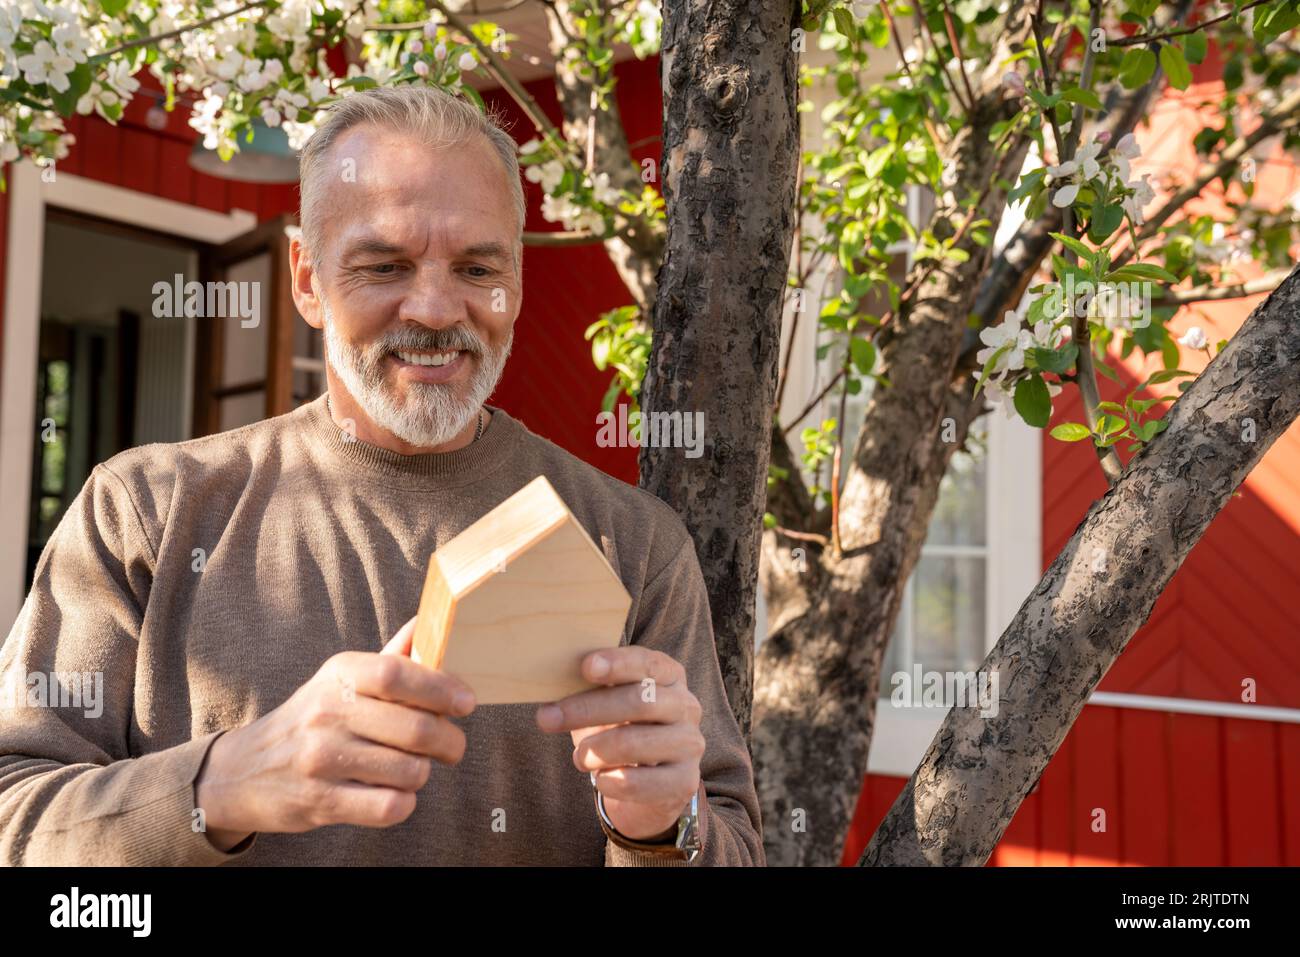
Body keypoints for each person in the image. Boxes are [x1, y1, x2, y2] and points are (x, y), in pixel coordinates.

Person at [0, 84, 764, 866]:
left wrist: (662, 828)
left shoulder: (633, 545)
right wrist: (224, 782)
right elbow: (13, 820)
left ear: (518, 281)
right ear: (306, 278)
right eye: (384, 263)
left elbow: (729, 839)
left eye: (476, 266)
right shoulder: (144, 516)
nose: (435, 308)